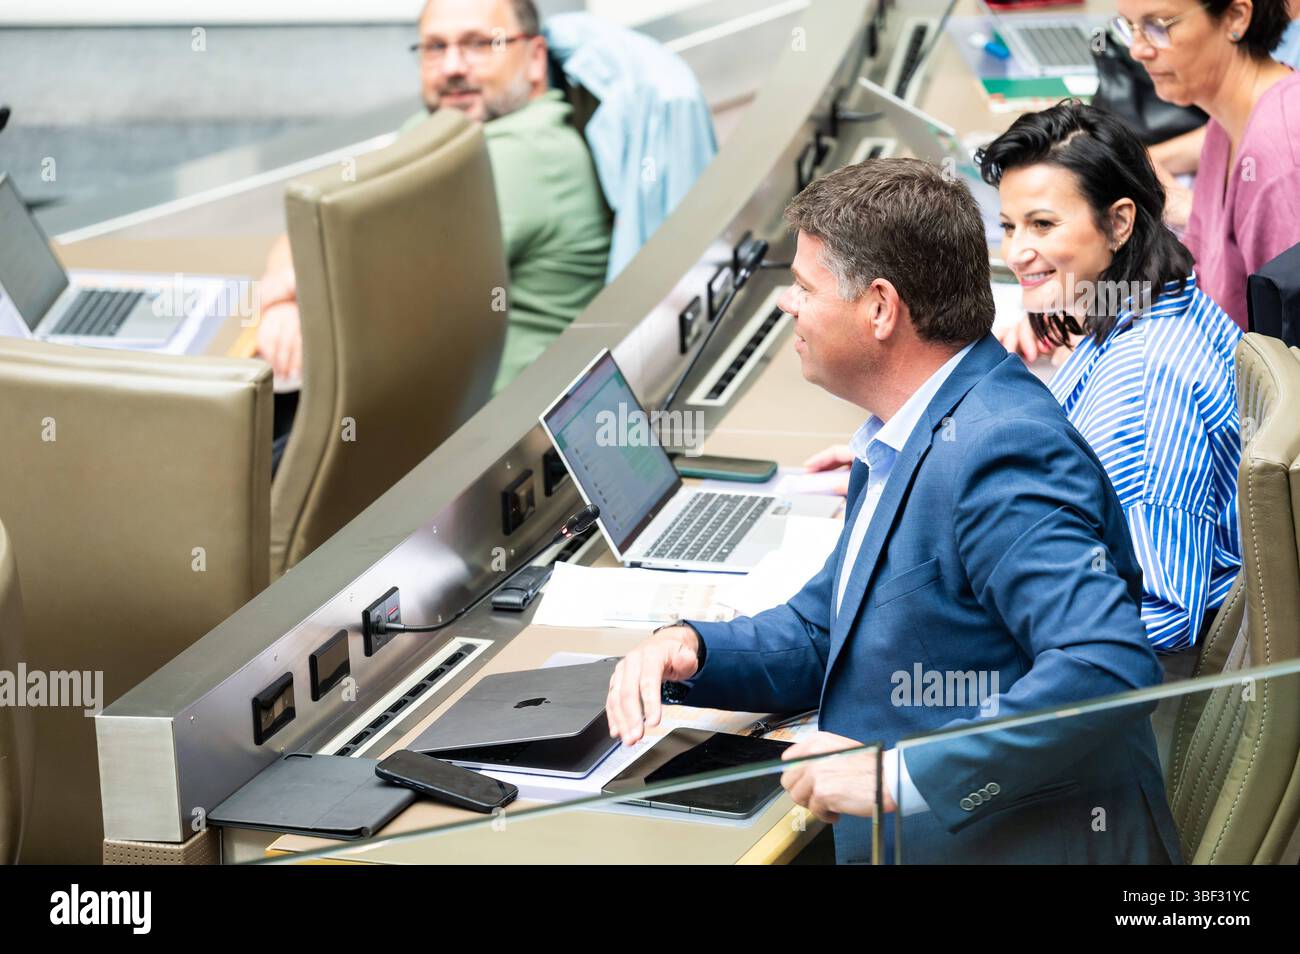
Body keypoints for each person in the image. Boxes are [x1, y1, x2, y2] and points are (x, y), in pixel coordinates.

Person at [606, 158, 1180, 865]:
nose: (787, 306)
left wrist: (900, 775)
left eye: (804, 288)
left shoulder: (1001, 453)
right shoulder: (912, 428)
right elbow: (828, 628)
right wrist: (692, 649)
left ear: (880, 307)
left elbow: (1111, 665)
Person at [812, 103, 1244, 655]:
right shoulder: (1156, 304)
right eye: (1010, 227)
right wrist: (928, 462)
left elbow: (1155, 614)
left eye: (1043, 225)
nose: (1017, 253)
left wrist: (968, 638)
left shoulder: (1142, 387)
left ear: (1119, 222)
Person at [256, 0, 611, 402]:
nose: (453, 67)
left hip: (482, 445)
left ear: (535, 58)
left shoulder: (529, 153)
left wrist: (286, 297)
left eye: (479, 44)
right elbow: (312, 227)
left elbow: (362, 285)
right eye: (435, 47)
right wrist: (288, 293)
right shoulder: (434, 130)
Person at [1147, 0, 1300, 228]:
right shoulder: (1223, 124)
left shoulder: (1280, 149)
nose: (1138, 50)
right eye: (1130, 28)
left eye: (1160, 26)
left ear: (1236, 17)